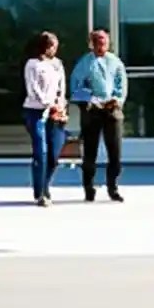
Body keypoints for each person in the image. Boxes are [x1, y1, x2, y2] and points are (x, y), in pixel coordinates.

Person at [70, 29, 127, 202]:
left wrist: (117, 100)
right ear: (92, 44)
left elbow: (121, 84)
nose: (101, 45)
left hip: (111, 110)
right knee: (90, 152)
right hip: (92, 110)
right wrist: (90, 98)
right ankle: (89, 187)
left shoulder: (115, 62)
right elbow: (75, 87)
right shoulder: (84, 63)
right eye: (97, 42)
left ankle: (113, 187)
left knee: (115, 153)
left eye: (104, 41)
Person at [22, 31, 67, 207]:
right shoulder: (32, 64)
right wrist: (48, 104)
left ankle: (45, 184)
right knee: (41, 151)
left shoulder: (57, 64)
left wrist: (60, 105)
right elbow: (33, 89)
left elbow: (61, 88)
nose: (54, 50)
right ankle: (40, 192)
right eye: (51, 46)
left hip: (55, 112)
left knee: (54, 154)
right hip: (36, 112)